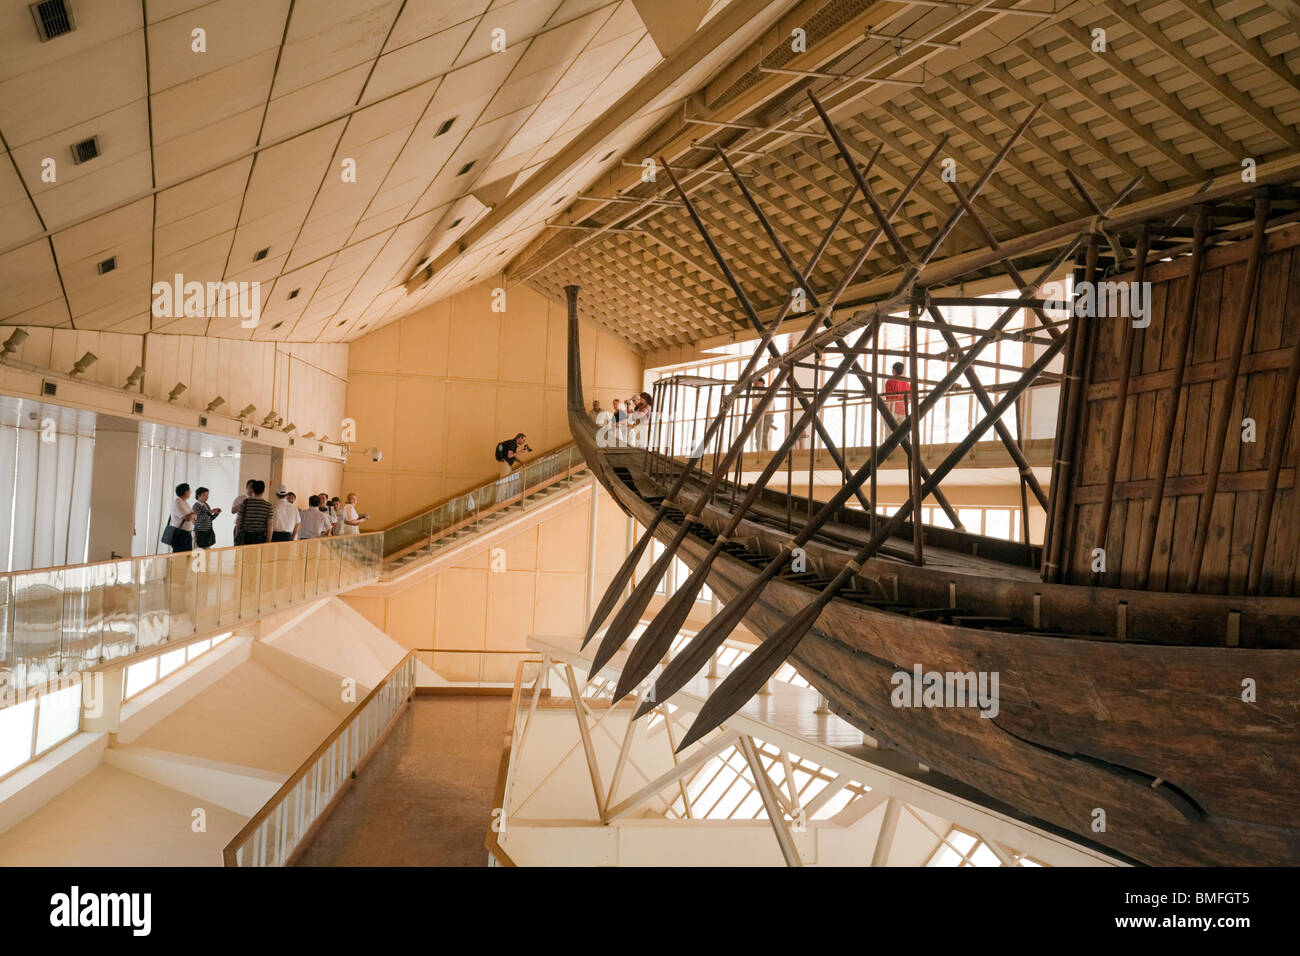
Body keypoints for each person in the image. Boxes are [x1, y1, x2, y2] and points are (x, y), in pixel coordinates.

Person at [239, 481, 273, 545]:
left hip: (246, 536)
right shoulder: (268, 506)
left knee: (246, 554)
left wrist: (236, 534)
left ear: (253, 489)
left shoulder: (245, 503)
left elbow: (239, 520)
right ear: (263, 490)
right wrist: (268, 540)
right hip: (260, 537)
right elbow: (270, 525)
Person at [167, 483, 196, 552]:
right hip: (180, 534)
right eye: (189, 490)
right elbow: (188, 518)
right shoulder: (178, 502)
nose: (190, 492)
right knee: (180, 556)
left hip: (186, 534)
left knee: (186, 556)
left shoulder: (184, 502)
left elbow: (194, 517)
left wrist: (193, 515)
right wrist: (193, 515)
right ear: (185, 492)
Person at [231, 478, 255, 545]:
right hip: (240, 528)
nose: (252, 489)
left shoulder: (257, 500)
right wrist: (242, 505)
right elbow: (232, 511)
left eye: (253, 487)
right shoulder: (239, 498)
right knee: (238, 548)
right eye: (250, 487)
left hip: (252, 529)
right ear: (246, 487)